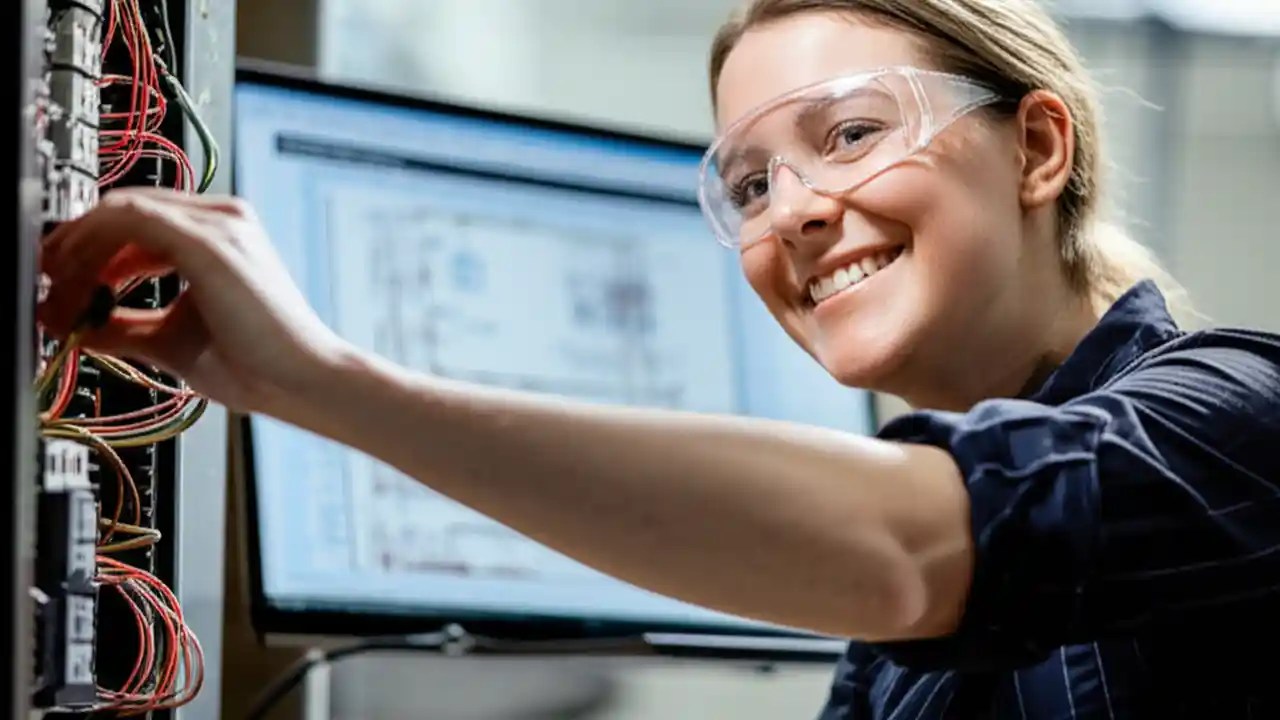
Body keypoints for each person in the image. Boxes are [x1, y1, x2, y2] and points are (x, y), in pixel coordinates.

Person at [37, 0, 1280, 717]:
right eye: (749, 184)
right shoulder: (882, 660)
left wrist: (317, 382)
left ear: (1037, 149)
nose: (793, 212)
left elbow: (909, 546)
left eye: (851, 133)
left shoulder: (1242, 416)